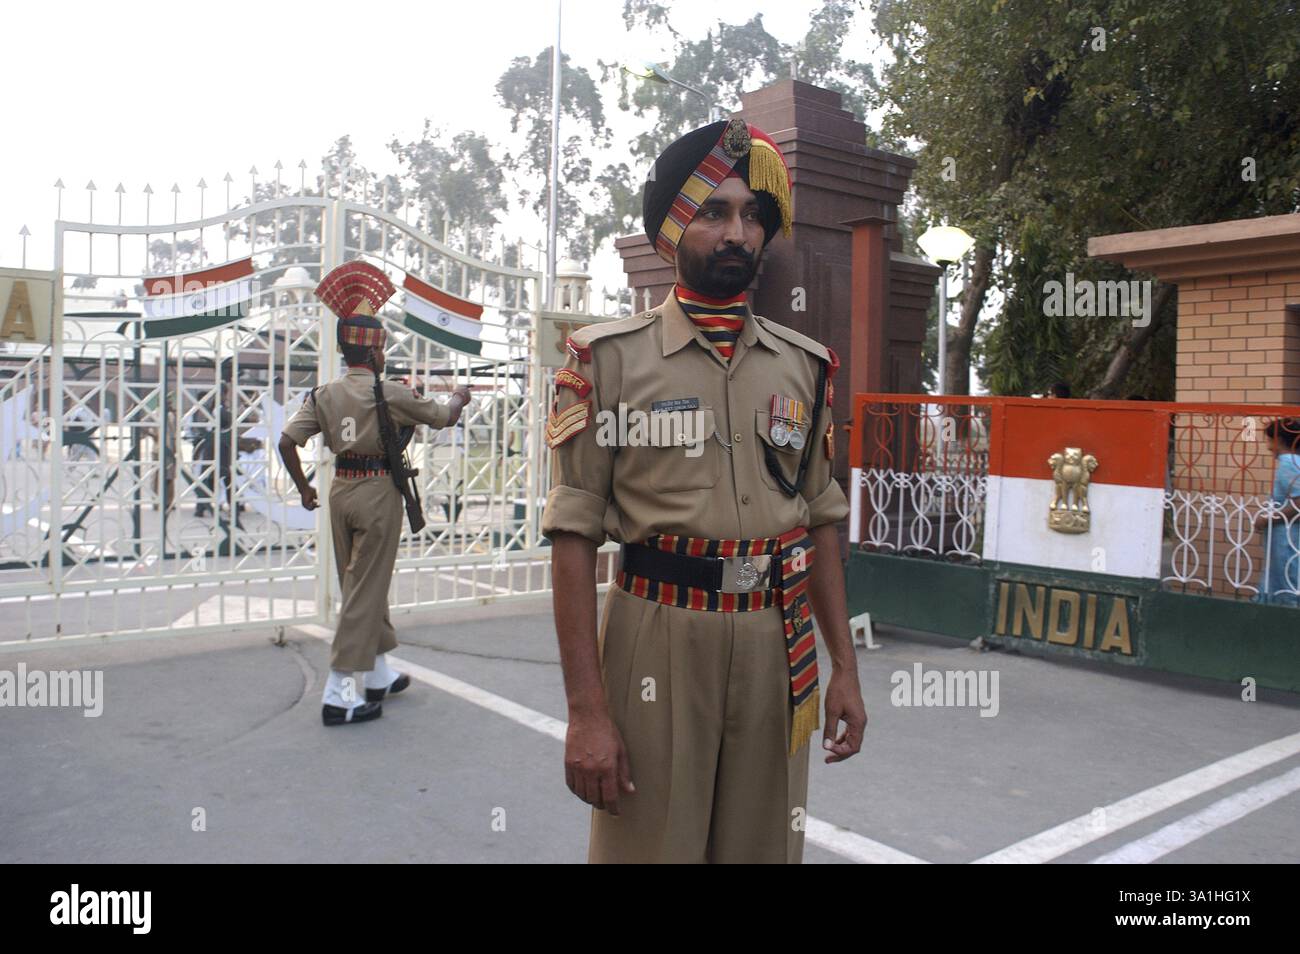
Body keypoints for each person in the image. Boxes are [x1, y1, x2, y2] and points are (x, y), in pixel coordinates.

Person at [542, 117, 867, 863]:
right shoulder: (608, 364)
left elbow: (820, 521)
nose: (737, 234)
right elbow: (573, 539)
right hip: (656, 638)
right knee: (650, 850)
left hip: (773, 641)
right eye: (714, 212)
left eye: (753, 217)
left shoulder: (803, 367)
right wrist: (587, 713)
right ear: (674, 228)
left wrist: (845, 668)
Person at [278, 261, 471, 726]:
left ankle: (379, 674)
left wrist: (305, 489)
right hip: (379, 495)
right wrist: (460, 398)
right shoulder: (391, 391)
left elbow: (287, 442)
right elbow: (444, 416)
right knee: (365, 589)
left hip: (341, 492)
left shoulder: (324, 394)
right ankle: (339, 694)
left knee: (361, 584)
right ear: (377, 351)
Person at [1253, 417, 1300, 607]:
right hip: (1290, 535)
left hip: (1287, 536)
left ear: (1279, 440)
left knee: (1285, 581)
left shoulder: (1289, 463)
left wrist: (1267, 519)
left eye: (1269, 440)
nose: (1268, 446)